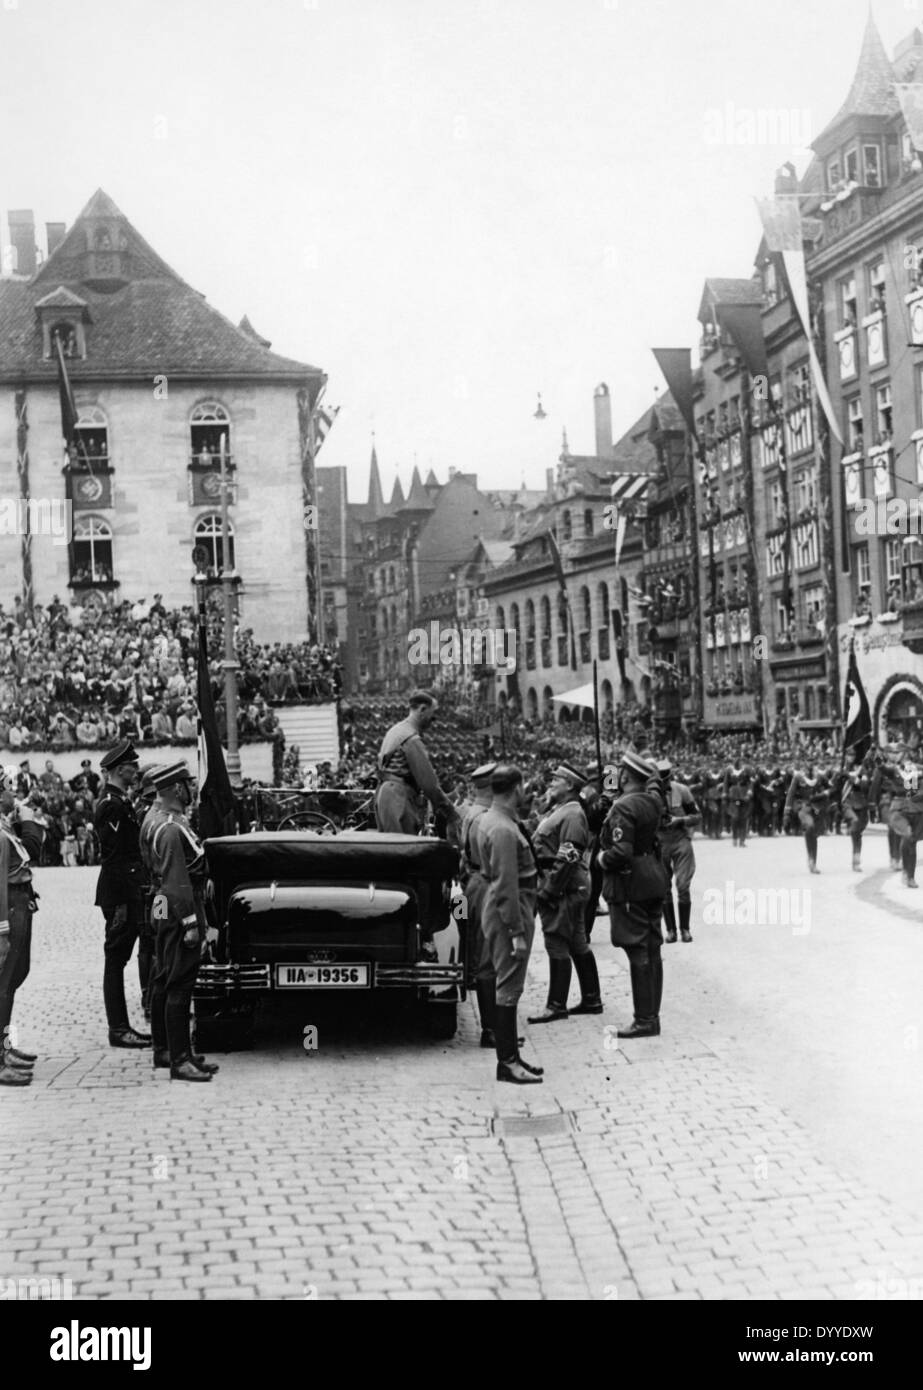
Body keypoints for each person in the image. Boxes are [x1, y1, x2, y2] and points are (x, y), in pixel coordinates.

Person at [140, 762, 218, 1082]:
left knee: (161, 972)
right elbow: (178, 881)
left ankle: (165, 1048)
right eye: (188, 784)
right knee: (180, 979)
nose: (192, 788)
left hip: (159, 903)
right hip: (177, 905)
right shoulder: (172, 827)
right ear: (175, 789)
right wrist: (190, 923)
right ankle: (180, 1059)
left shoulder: (152, 818)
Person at [476, 764, 543, 1085]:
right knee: (509, 987)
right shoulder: (502, 828)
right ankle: (506, 1062)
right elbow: (506, 885)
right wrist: (517, 931)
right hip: (511, 912)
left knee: (508, 985)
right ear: (515, 788)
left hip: (505, 908)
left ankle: (512, 1058)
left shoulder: (494, 819)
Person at [598, 751, 668, 1039]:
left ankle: (644, 1019)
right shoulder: (652, 801)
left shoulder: (623, 807)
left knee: (637, 949)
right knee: (652, 947)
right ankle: (652, 1015)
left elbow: (620, 852)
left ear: (625, 776)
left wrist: (601, 859)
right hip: (652, 875)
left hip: (630, 883)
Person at [527, 763, 601, 1023]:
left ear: (570, 785)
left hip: (564, 886)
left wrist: (550, 890)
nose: (551, 783)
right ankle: (592, 998)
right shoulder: (561, 810)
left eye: (556, 780)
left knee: (556, 941)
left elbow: (569, 856)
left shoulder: (572, 814)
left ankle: (557, 1004)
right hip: (570, 885)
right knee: (578, 941)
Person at [94, 739, 150, 1047]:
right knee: (115, 959)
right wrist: (133, 898)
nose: (136, 770)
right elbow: (115, 859)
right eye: (132, 766)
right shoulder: (110, 805)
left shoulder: (119, 801)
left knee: (119, 957)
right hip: (119, 895)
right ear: (119, 770)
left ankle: (121, 1026)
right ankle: (118, 1028)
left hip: (125, 892)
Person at [373, 690, 461, 838]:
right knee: (403, 852)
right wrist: (452, 814)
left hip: (386, 795)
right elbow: (429, 785)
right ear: (422, 709)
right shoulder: (411, 739)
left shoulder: (396, 730)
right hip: (398, 798)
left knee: (389, 851)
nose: (434, 719)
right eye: (432, 714)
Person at [0, 766, 38, 1086]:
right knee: (3, 985)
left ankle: (7, 1045)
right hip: (10, 907)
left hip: (20, 902)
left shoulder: (4, 826)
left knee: (13, 979)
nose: (14, 794)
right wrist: (2, 931)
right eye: (9, 789)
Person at [458, 762, 498, 1048]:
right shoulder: (488, 819)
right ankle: (492, 1030)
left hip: (473, 882)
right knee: (491, 959)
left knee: (482, 953)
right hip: (488, 883)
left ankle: (494, 1026)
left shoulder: (470, 812)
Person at [656, 759, 700, 944]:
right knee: (664, 887)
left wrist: (680, 820)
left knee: (683, 886)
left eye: (665, 781)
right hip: (660, 842)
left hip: (680, 839)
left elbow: (697, 816)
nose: (663, 784)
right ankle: (671, 930)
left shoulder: (682, 790)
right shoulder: (649, 796)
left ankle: (685, 929)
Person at [783, 763, 830, 874]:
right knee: (809, 826)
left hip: (816, 808)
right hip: (802, 807)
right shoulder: (798, 777)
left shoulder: (820, 777)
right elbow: (790, 795)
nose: (809, 769)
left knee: (814, 834)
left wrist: (824, 794)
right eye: (806, 767)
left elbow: (830, 788)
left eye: (812, 766)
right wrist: (787, 812)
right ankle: (811, 860)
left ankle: (813, 862)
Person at [887, 759, 923, 888]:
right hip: (901, 810)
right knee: (907, 835)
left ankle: (910, 876)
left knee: (911, 842)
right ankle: (903, 868)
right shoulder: (898, 775)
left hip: (918, 813)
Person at [841, 759, 873, 872]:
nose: (851, 757)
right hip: (848, 803)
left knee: (857, 833)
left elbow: (865, 786)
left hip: (861, 804)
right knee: (855, 829)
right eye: (850, 755)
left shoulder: (863, 771)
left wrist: (855, 779)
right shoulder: (843, 770)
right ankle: (856, 860)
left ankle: (856, 858)